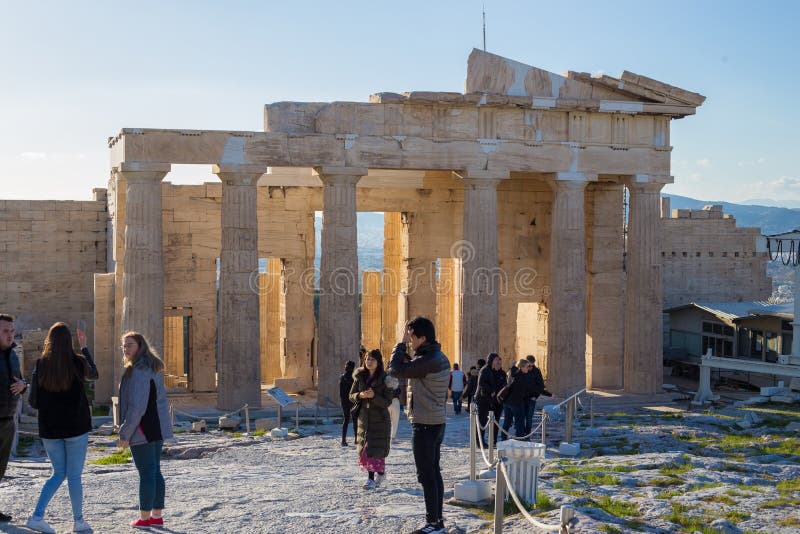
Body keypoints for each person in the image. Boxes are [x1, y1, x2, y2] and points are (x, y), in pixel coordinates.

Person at [25, 323, 98, 534]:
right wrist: (84, 348)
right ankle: (79, 521)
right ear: (69, 342)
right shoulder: (78, 362)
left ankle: (37, 516)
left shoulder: (41, 364)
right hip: (75, 427)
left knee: (57, 473)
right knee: (74, 475)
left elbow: (34, 402)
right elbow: (95, 375)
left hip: (50, 429)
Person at [388, 317, 450, 534]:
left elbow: (394, 370)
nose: (410, 340)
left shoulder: (428, 360)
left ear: (422, 338)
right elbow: (408, 368)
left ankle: (433, 524)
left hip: (425, 424)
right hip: (435, 421)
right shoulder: (435, 356)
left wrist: (399, 343)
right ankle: (437, 521)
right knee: (434, 472)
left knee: (426, 475)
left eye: (412, 337)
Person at [117, 332, 173, 528]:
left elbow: (137, 406)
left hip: (142, 428)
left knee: (147, 473)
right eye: (123, 346)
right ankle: (156, 516)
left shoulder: (140, 370)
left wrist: (125, 434)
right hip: (156, 426)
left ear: (140, 346)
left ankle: (145, 518)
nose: (125, 349)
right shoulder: (151, 366)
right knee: (155, 471)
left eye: (129, 345)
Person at [349, 349, 395, 489]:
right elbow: (351, 395)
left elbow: (387, 401)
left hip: (380, 420)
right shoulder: (359, 376)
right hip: (364, 419)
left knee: (377, 450)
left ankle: (380, 473)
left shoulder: (386, 379)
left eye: (372, 360)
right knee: (367, 449)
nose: (369, 362)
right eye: (367, 359)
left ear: (378, 362)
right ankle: (370, 479)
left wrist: (374, 396)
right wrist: (360, 395)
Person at [0, 314, 26, 523]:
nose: (10, 335)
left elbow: (20, 380)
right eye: (5, 331)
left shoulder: (13, 355)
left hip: (8, 419)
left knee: (1, 467)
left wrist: (23, 385)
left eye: (12, 331)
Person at [475, 353, 505, 446]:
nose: (498, 361)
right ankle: (480, 442)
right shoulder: (485, 369)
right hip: (483, 399)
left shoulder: (494, 370)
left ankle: (490, 441)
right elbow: (481, 382)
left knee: (490, 421)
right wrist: (491, 390)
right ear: (492, 360)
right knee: (482, 421)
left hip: (491, 400)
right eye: (496, 359)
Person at [500, 359, 530, 441]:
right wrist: (548, 394)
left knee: (507, 421)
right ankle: (519, 439)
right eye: (527, 366)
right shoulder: (521, 376)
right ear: (522, 367)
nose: (528, 368)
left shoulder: (511, 373)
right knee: (519, 422)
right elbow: (531, 388)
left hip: (507, 402)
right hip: (516, 402)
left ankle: (503, 438)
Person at [523, 355, 549, 437]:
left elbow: (540, 386)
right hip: (522, 398)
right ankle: (520, 434)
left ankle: (527, 435)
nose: (530, 367)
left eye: (532, 365)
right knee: (520, 417)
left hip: (531, 398)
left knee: (529, 417)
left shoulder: (536, 371)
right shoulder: (522, 369)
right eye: (529, 365)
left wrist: (535, 396)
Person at [339, 360, 357, 446]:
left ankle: (343, 440)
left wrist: (342, 401)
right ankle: (356, 439)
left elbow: (341, 392)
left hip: (344, 401)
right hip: (352, 401)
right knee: (355, 420)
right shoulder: (354, 378)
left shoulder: (342, 377)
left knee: (346, 420)